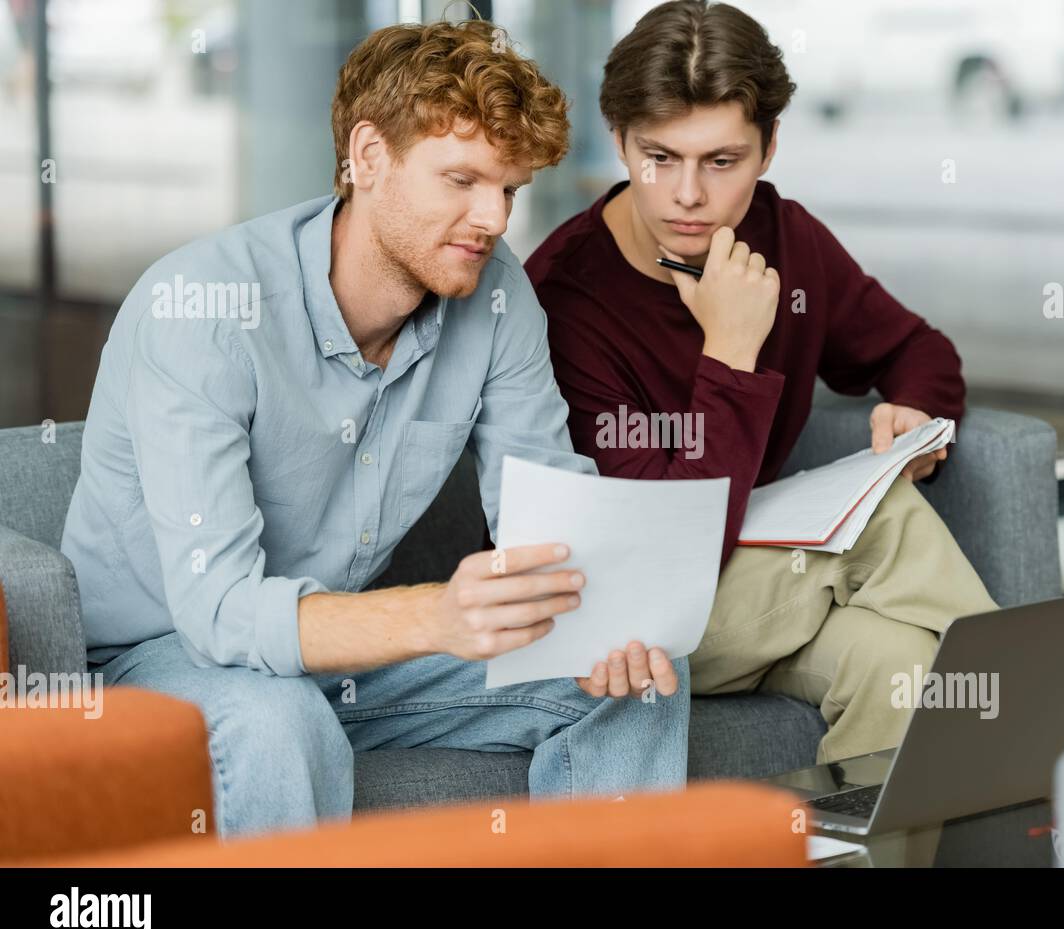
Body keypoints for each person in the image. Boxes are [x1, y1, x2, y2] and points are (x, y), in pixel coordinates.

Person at [61, 20, 687, 839]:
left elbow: (550, 521)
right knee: (279, 720)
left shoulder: (497, 300)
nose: (493, 217)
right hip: (165, 656)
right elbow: (218, 610)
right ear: (367, 156)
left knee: (642, 676)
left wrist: (607, 620)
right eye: (462, 179)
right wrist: (436, 615)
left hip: (344, 656)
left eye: (509, 188)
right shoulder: (201, 311)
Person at [527, 0, 999, 765]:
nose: (688, 194)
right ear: (619, 141)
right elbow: (662, 550)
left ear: (769, 146)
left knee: (902, 667)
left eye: (721, 161)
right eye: (660, 157)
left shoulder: (785, 239)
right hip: (621, 623)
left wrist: (914, 409)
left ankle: (889, 825)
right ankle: (1049, 751)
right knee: (882, 520)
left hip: (750, 594)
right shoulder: (565, 297)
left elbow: (919, 349)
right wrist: (730, 351)